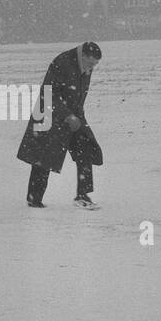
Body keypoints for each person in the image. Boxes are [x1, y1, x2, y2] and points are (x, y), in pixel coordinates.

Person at [17, 42, 103, 209]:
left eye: (95, 65)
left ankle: (82, 195)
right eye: (91, 63)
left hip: (73, 117)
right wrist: (67, 115)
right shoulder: (62, 62)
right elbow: (48, 94)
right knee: (43, 158)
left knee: (84, 148)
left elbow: (78, 95)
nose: (92, 68)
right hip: (49, 115)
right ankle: (34, 200)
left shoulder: (85, 66)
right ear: (83, 56)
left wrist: (78, 118)